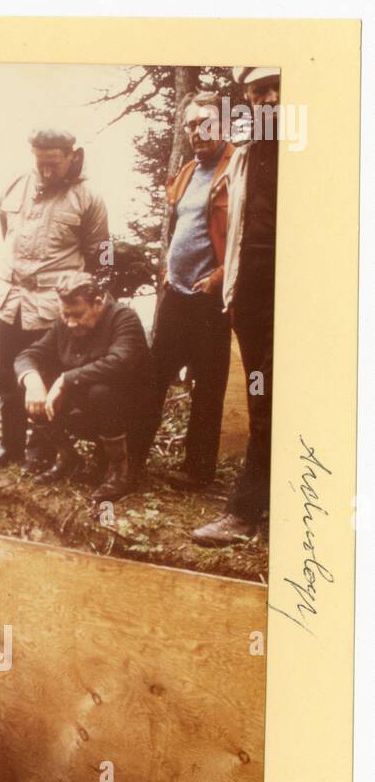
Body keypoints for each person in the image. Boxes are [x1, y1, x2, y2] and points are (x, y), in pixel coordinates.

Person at [0, 127, 110, 470]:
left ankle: (42, 453)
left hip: (55, 307)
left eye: (54, 163)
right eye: (40, 164)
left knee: (47, 378)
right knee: (9, 377)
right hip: (12, 300)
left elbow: (102, 253)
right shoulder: (14, 185)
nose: (47, 171)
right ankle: (11, 447)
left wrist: (88, 299)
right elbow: (5, 231)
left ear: (71, 156)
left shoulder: (88, 197)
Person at [193, 67, 280, 546]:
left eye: (273, 89)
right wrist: (233, 294)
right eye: (256, 92)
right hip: (252, 299)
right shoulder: (247, 157)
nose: (266, 100)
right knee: (261, 400)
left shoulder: (320, 147)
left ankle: (248, 512)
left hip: (301, 299)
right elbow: (242, 233)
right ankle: (252, 512)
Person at [143, 91, 234, 492]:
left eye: (206, 123)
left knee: (208, 384)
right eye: (192, 126)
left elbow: (246, 238)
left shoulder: (237, 169)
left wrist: (219, 276)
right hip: (176, 292)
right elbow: (181, 229)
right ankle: (132, 457)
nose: (199, 132)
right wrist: (167, 269)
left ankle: (197, 473)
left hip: (211, 297)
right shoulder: (187, 171)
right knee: (153, 375)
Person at [13, 272, 154, 502]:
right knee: (32, 385)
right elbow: (29, 355)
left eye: (78, 315)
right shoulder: (65, 324)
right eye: (65, 314)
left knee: (101, 391)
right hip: (87, 407)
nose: (70, 322)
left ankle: (121, 471)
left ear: (98, 303)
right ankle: (69, 458)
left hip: (129, 412)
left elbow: (120, 362)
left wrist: (66, 380)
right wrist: (32, 381)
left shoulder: (124, 318)